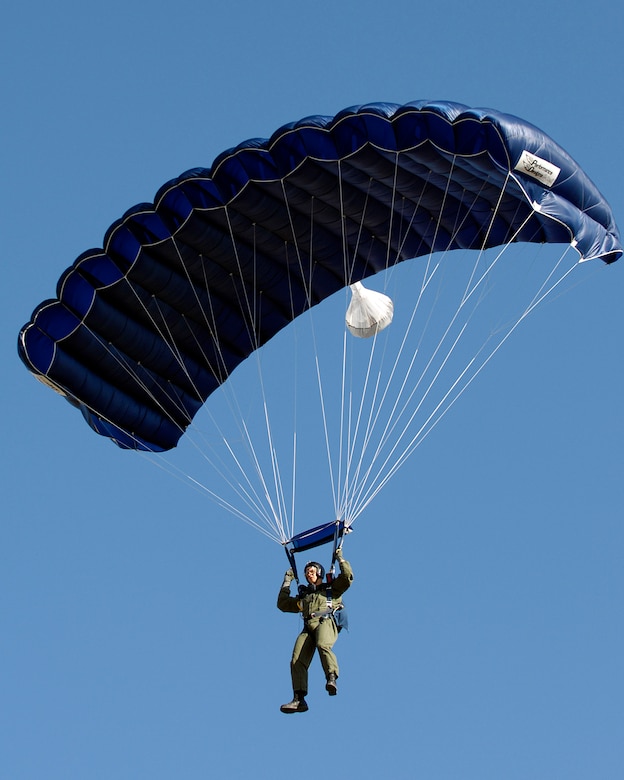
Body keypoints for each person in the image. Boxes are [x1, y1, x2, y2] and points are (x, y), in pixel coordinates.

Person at [277, 547, 353, 714]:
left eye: (311, 571)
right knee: (296, 660)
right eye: (306, 573)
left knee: (322, 644)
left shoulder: (331, 590)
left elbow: (347, 578)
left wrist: (340, 558)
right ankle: (299, 699)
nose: (308, 574)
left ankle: (331, 678)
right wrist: (287, 581)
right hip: (308, 626)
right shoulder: (304, 598)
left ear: (319, 572)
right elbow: (282, 604)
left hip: (325, 621)